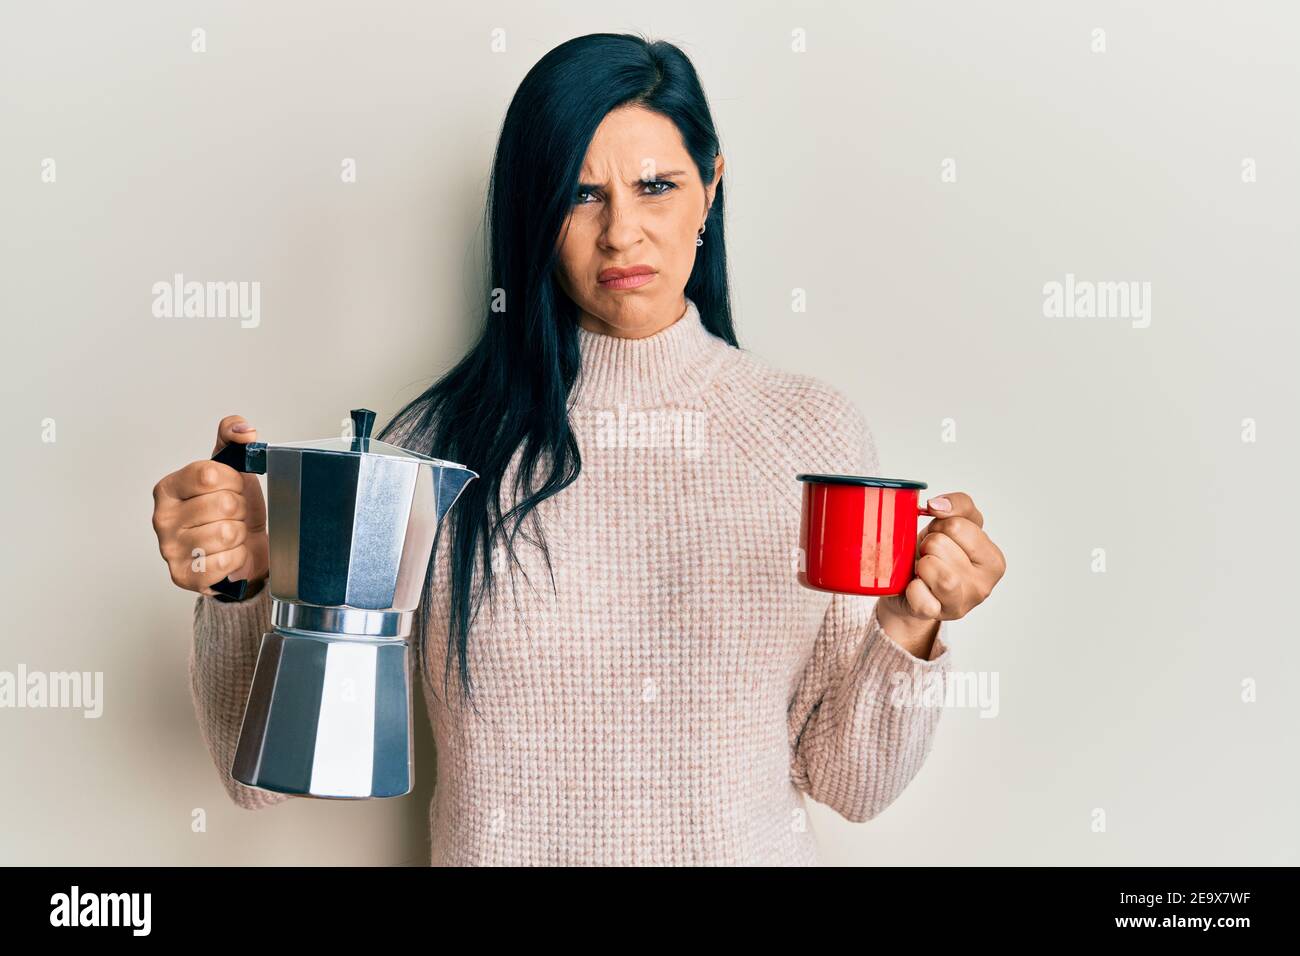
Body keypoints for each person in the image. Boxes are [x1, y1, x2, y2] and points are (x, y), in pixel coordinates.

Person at [150, 32, 1006, 865]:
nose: (622, 233)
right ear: (535, 211)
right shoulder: (432, 453)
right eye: (581, 194)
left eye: (657, 186)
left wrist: (910, 623)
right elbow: (256, 776)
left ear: (711, 187)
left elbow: (852, 786)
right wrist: (244, 588)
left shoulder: (811, 435)